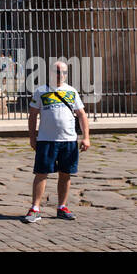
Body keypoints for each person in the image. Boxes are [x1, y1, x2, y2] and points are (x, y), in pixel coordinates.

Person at [23, 60, 90, 223]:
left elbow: (81, 115)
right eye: (57, 71)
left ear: (67, 74)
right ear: (51, 73)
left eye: (64, 72)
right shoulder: (41, 91)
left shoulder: (72, 91)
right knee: (41, 174)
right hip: (46, 139)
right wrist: (32, 137)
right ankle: (35, 208)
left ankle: (62, 207)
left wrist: (86, 137)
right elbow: (32, 116)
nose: (60, 75)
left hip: (68, 139)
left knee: (66, 174)